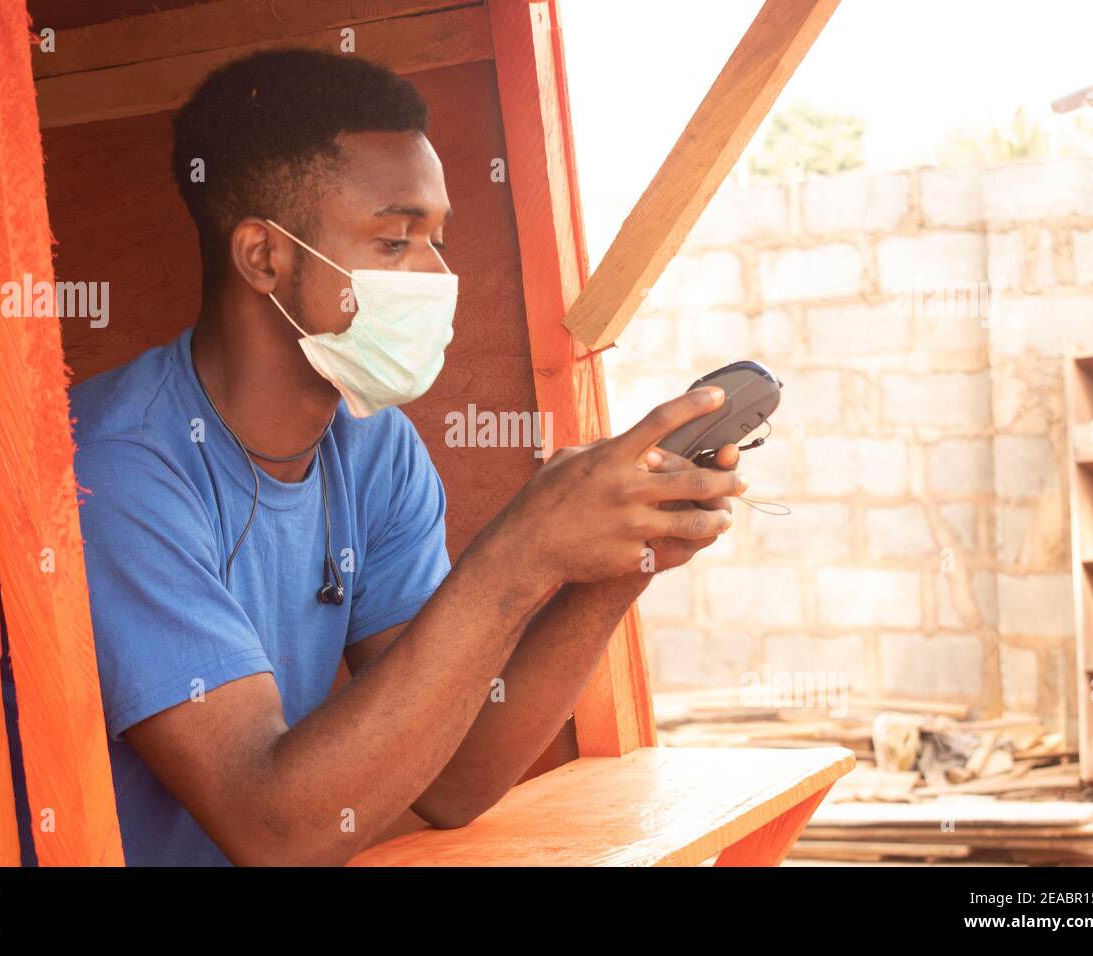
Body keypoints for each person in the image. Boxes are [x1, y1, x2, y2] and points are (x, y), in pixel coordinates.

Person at [65, 47, 744, 865]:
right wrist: (522, 549)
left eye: (437, 237)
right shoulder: (117, 465)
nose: (437, 273)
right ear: (264, 258)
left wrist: (617, 567)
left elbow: (454, 780)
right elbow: (273, 829)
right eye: (394, 242)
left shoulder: (372, 444)